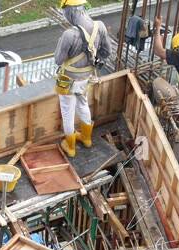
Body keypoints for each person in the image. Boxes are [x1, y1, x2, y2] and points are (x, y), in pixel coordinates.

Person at [55, 0, 112, 157]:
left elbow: (58, 60)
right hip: (86, 78)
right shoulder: (99, 26)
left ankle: (71, 146)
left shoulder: (69, 34)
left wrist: (62, 43)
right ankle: (86, 138)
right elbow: (107, 52)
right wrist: (94, 58)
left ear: (70, 12)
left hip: (68, 79)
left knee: (68, 112)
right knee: (83, 104)